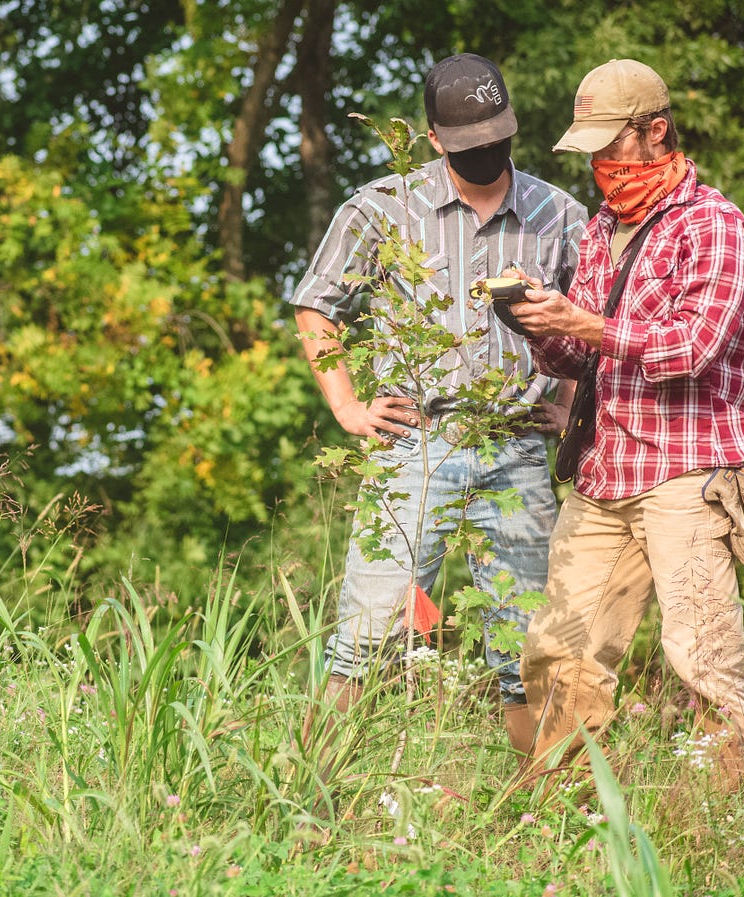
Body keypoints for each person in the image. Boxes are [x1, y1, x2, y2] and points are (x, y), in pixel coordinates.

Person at [289, 52, 587, 757]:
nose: (486, 152)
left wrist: (572, 408)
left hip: (516, 447)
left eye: (497, 136)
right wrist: (349, 408)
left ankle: (541, 814)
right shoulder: (382, 207)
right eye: (468, 143)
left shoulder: (559, 214)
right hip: (413, 444)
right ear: (432, 141)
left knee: (524, 649)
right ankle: (312, 805)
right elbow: (315, 303)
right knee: (367, 638)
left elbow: (587, 323)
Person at [509, 58, 744, 782]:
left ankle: (726, 820)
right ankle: (564, 809)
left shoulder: (712, 224)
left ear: (655, 131)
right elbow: (575, 358)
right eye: (587, 149)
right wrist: (535, 321)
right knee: (558, 649)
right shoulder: (601, 231)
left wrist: (587, 323)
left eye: (607, 144)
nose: (597, 163)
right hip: (605, 471)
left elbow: (694, 346)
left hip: (687, 472)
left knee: (702, 661)